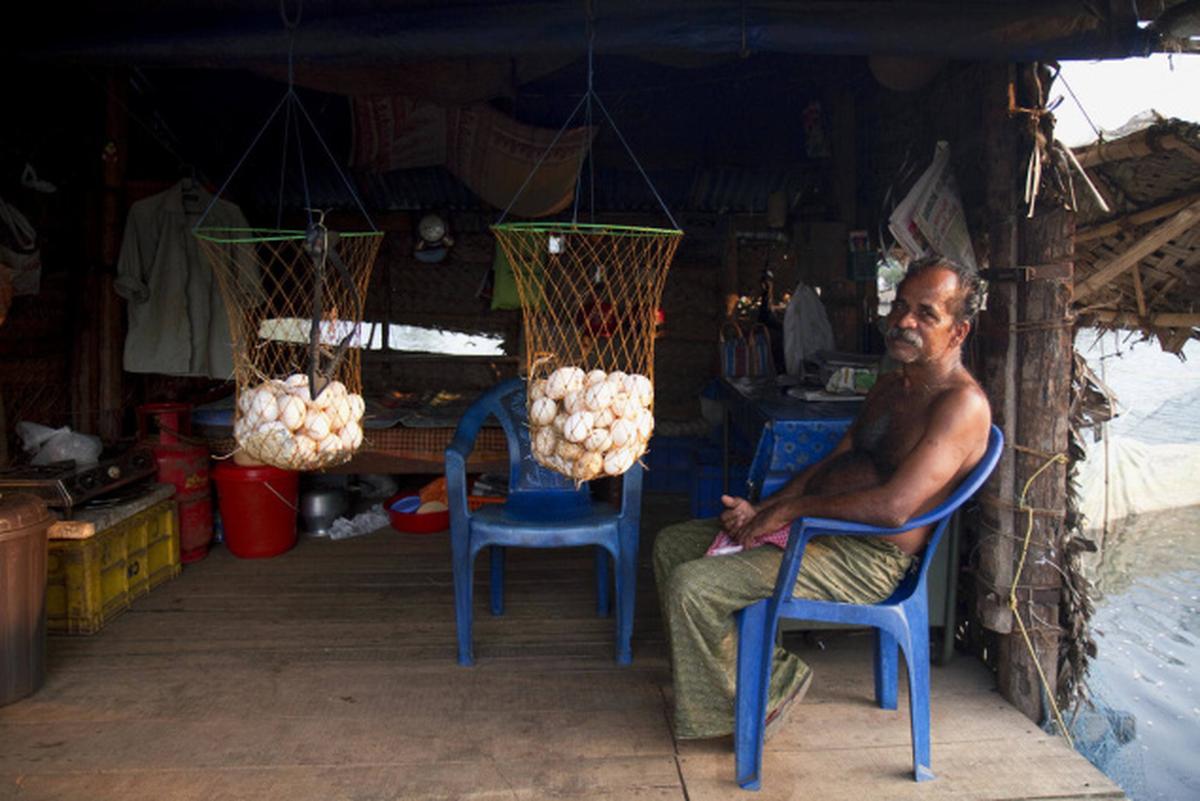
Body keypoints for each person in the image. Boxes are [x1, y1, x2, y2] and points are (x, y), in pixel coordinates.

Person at [653, 255, 992, 741]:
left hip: (869, 557)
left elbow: (894, 508)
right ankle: (737, 687)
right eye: (900, 306)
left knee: (695, 586)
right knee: (671, 546)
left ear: (958, 332)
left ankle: (771, 688)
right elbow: (836, 459)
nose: (904, 322)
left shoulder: (960, 405)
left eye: (926, 313)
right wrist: (765, 512)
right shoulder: (893, 386)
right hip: (819, 532)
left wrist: (789, 510)